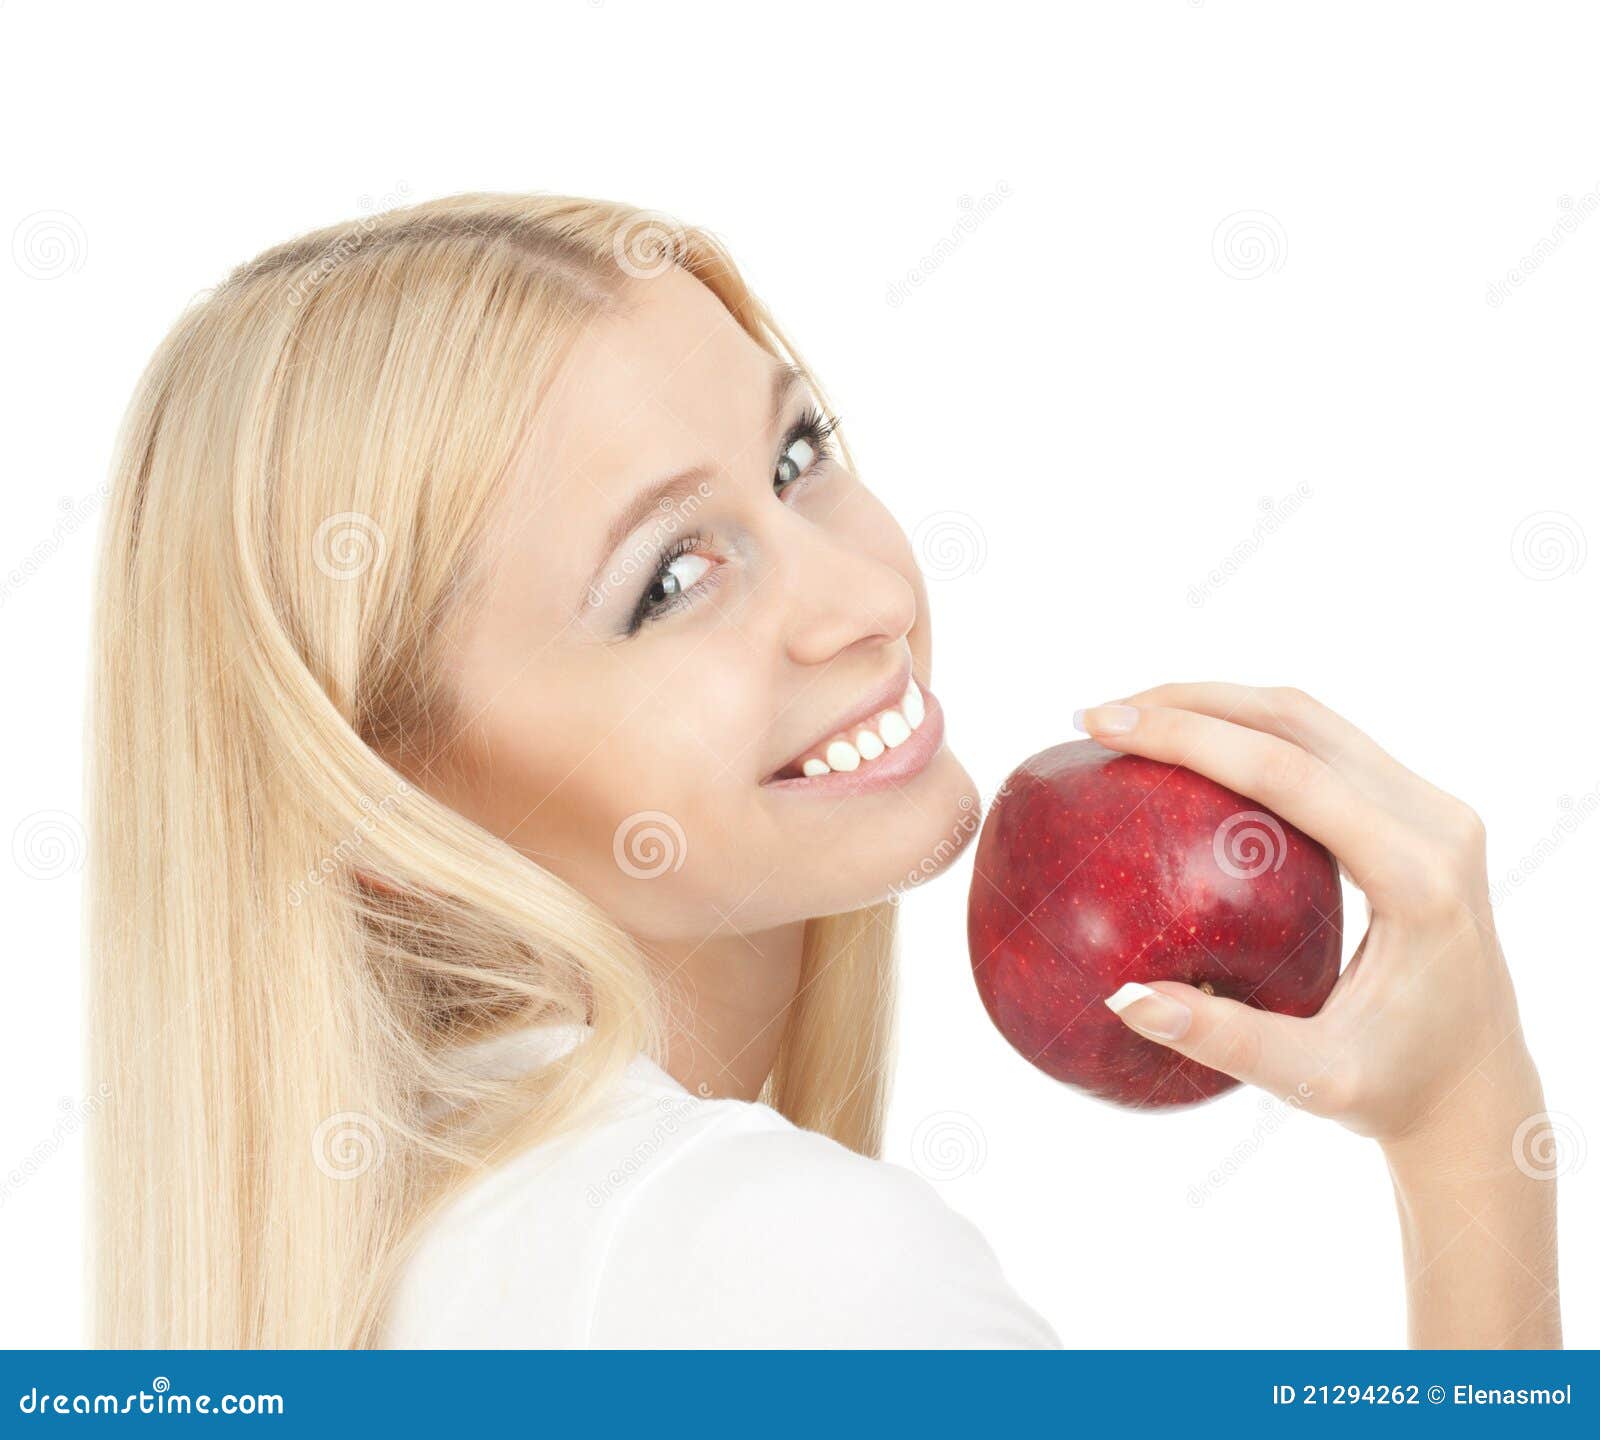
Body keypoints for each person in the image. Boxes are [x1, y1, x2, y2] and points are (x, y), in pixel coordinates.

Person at [88, 193, 1561, 1348]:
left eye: (798, 458)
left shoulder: (379, 1254)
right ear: (383, 805)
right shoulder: (780, 1272)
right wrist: (1467, 1132)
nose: (861, 601)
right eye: (671, 579)